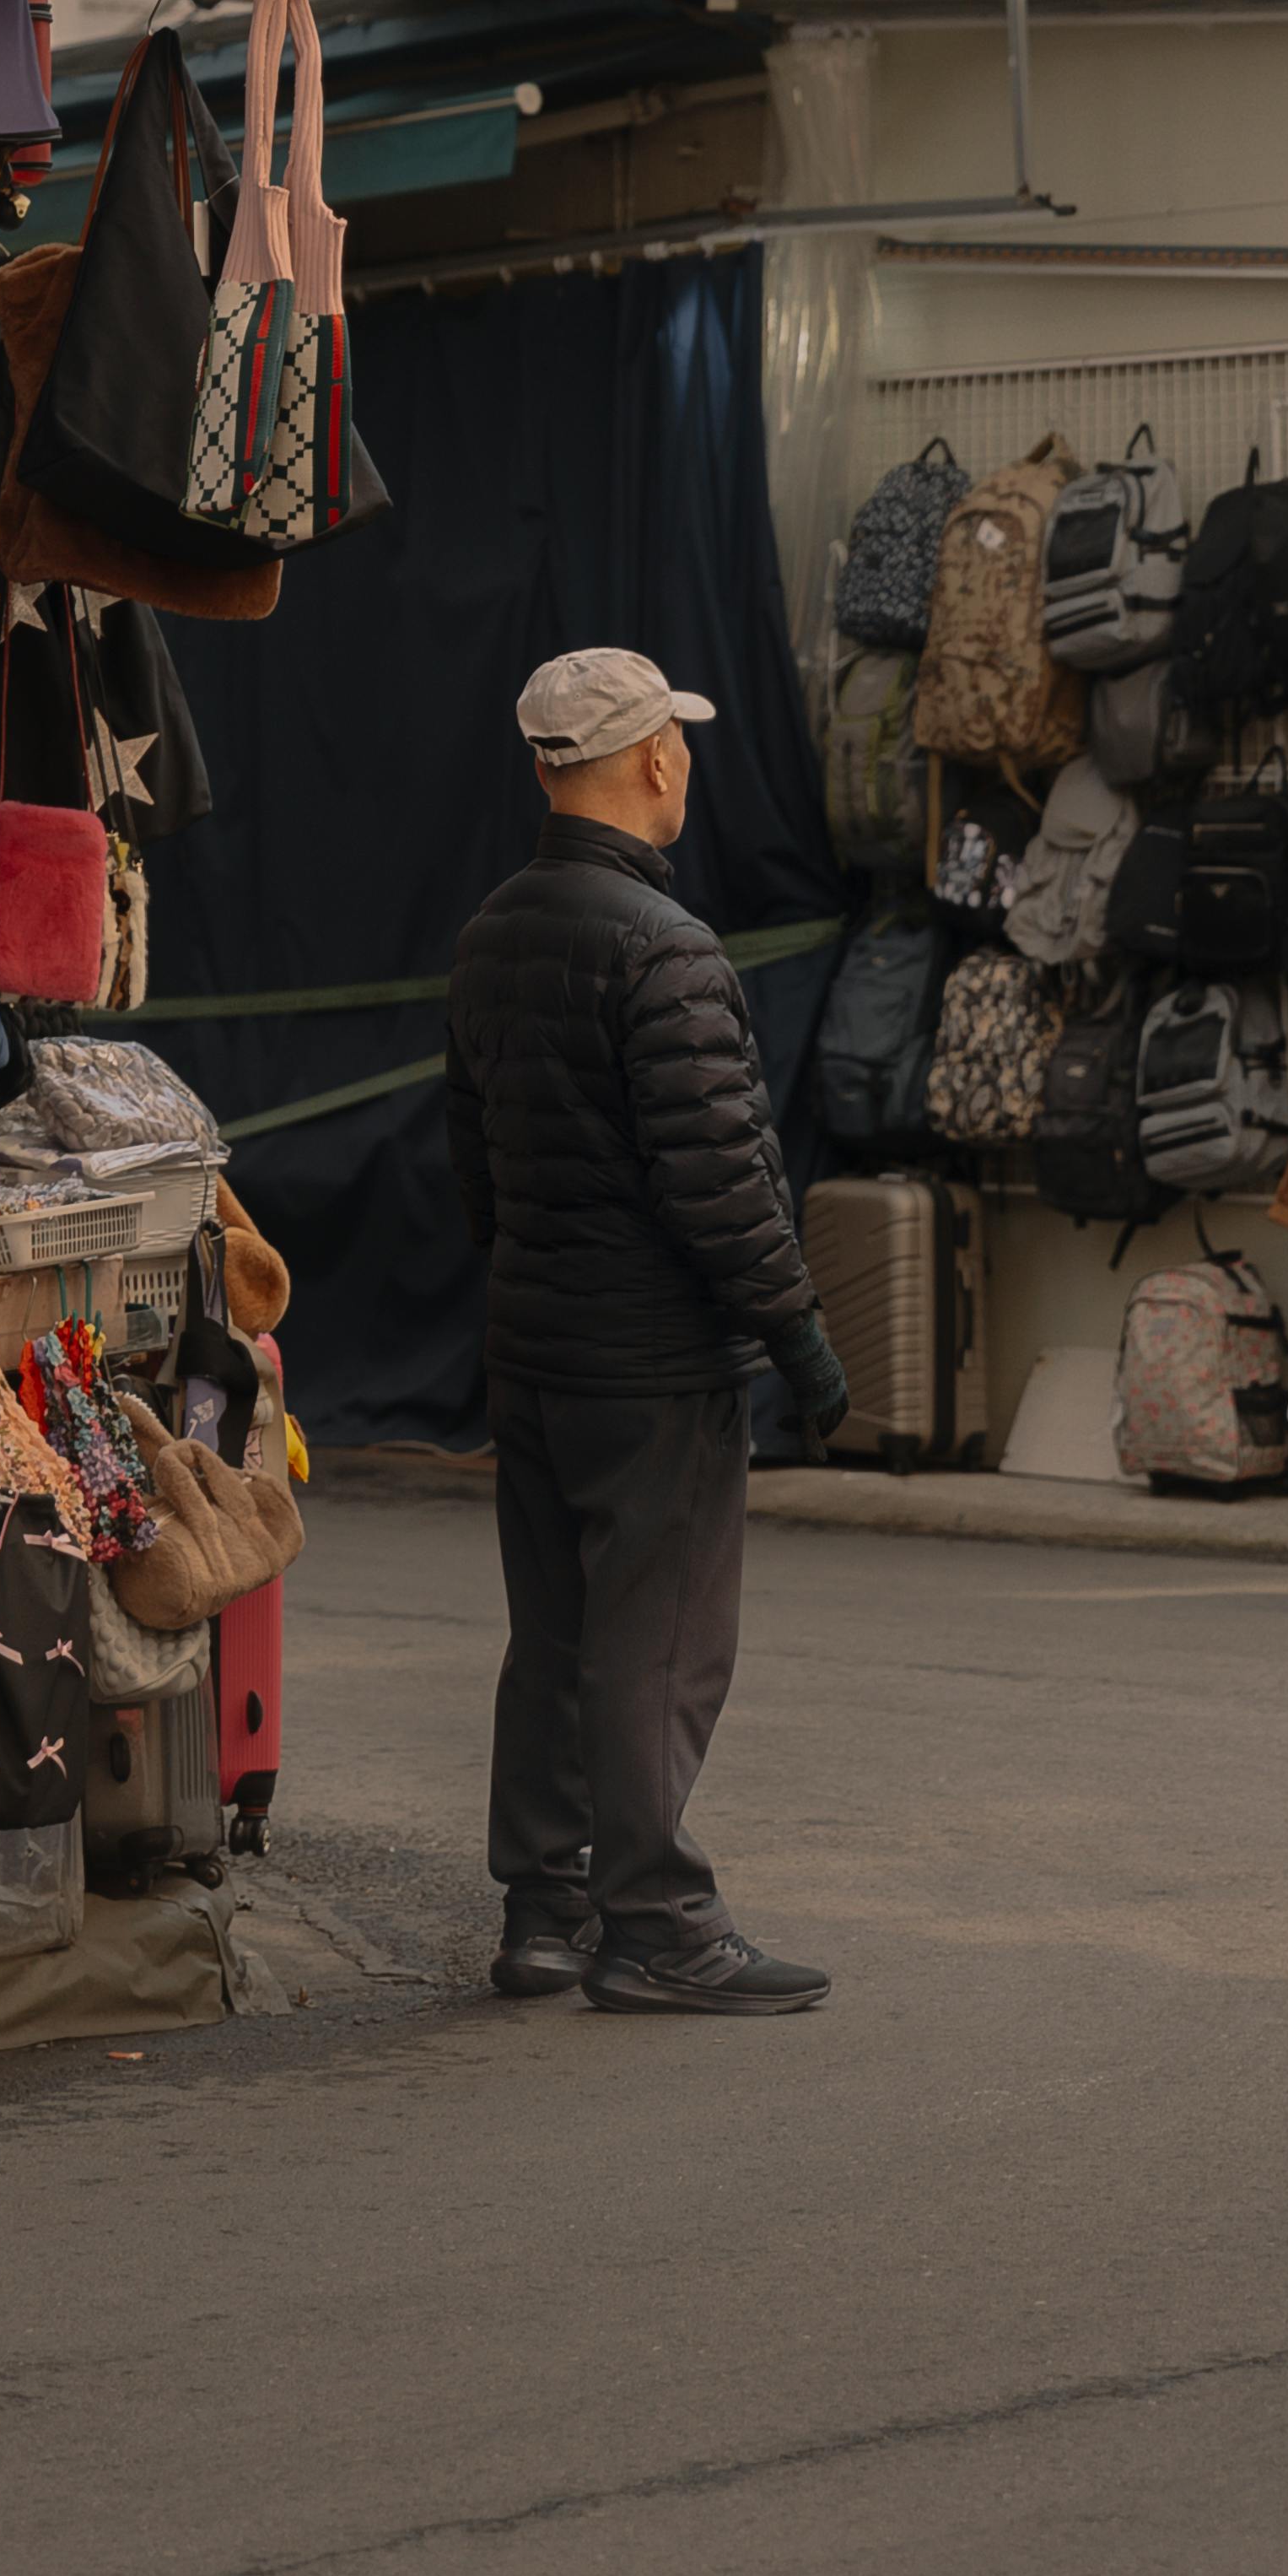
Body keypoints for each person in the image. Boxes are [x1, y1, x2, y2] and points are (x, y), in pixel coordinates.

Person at [446, 648, 848, 2017]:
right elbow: (720, 1179)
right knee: (656, 1645)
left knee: (551, 1635)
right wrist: (797, 1338)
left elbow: (473, 1165)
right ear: (658, 761)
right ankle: (658, 1923)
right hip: (651, 1364)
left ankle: (543, 1912)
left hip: (535, 1350)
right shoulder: (666, 951)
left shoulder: (494, 927)